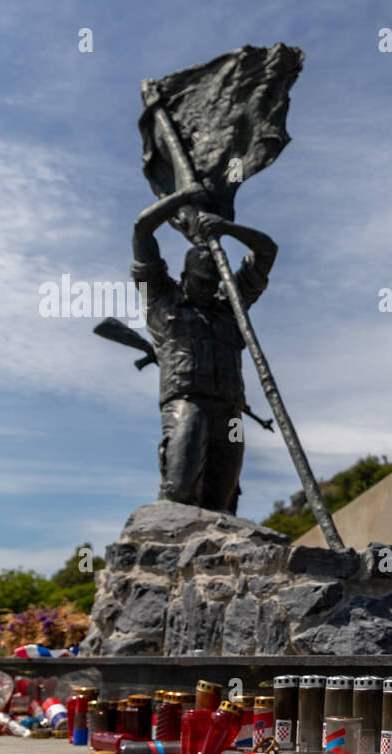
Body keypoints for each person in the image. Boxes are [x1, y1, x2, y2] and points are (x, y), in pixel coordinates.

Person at [130, 182, 278, 513]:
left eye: (212, 284)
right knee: (180, 486)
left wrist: (227, 228)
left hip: (231, 411)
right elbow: (142, 230)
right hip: (186, 402)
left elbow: (268, 251)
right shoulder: (161, 299)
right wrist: (183, 196)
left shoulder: (230, 306)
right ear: (184, 276)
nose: (206, 289)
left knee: (223, 501)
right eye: (199, 282)